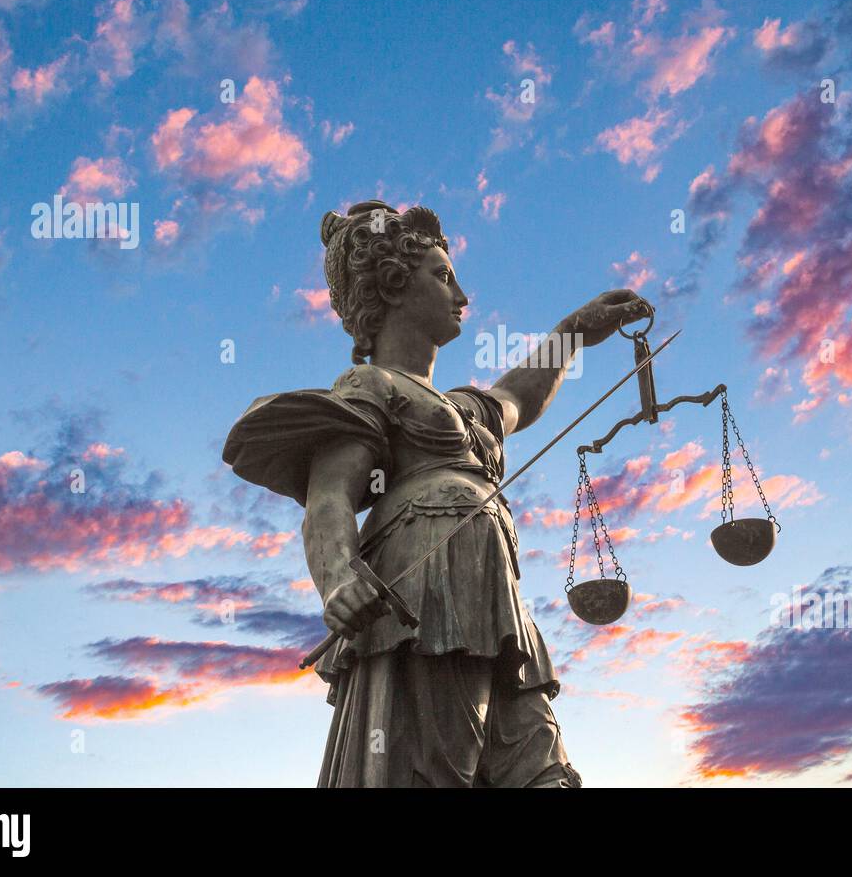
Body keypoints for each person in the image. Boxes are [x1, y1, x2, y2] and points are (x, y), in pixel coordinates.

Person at [223, 200, 652, 787]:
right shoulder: (371, 385)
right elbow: (330, 496)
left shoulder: (463, 407)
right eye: (443, 275)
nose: (462, 295)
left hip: (496, 606)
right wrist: (339, 576)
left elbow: (518, 399)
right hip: (423, 600)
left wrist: (573, 331)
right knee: (433, 762)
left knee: (540, 769)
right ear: (394, 285)